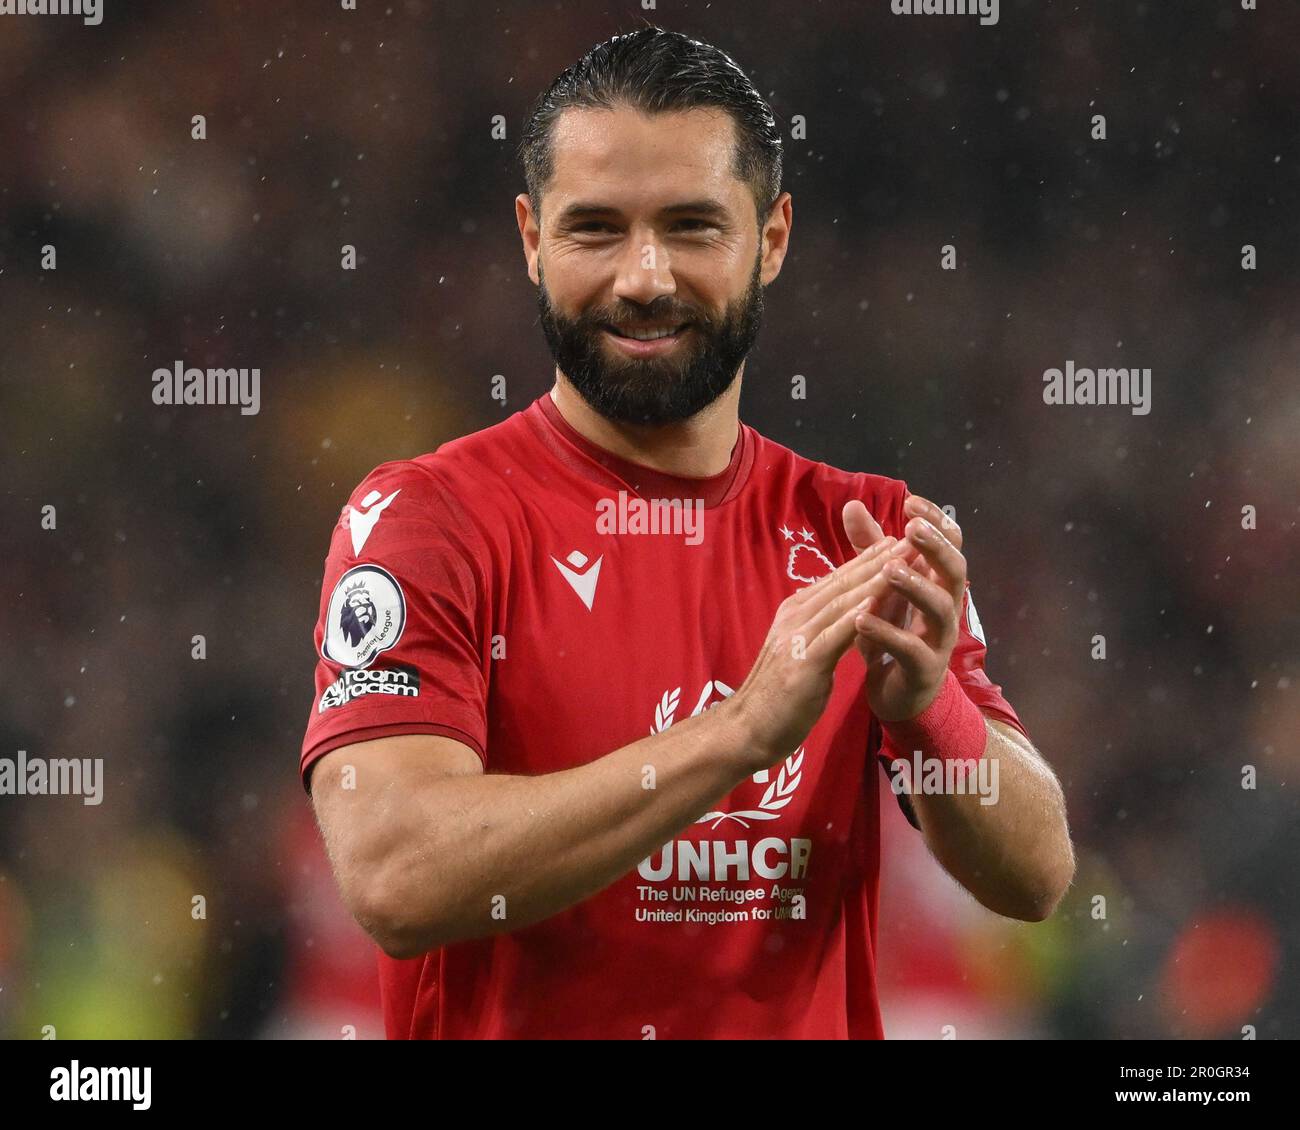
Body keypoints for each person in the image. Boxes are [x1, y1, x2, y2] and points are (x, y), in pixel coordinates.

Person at [300, 25, 1074, 1039]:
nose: (643, 278)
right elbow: (395, 873)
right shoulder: (423, 522)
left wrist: (930, 716)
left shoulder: (868, 533)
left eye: (692, 225)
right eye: (595, 230)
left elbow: (1038, 872)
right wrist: (735, 735)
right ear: (530, 238)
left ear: (775, 236)